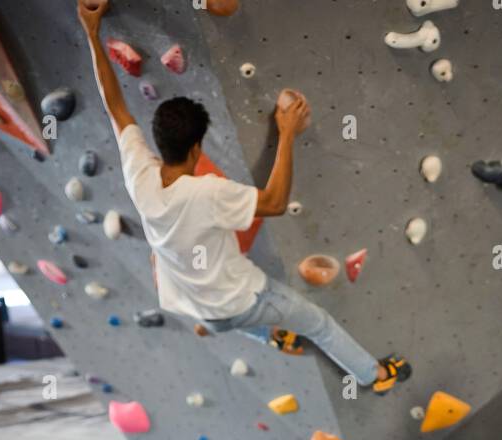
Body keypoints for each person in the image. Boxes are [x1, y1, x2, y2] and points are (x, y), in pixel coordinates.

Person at [77, 1, 411, 394]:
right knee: (317, 323)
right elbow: (273, 204)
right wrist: (286, 134)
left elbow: (114, 105)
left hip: (193, 303)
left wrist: (91, 32)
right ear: (197, 149)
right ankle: (375, 376)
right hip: (242, 301)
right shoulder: (207, 192)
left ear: (158, 140)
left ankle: (272, 336)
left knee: (216, 314)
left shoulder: (139, 174)